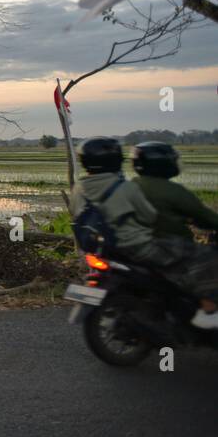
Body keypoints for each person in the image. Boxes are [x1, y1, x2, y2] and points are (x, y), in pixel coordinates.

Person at [70, 137, 218, 330]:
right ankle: (208, 310)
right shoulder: (126, 187)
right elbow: (148, 216)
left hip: (97, 247)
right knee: (203, 256)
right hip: (137, 246)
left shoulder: (78, 188)